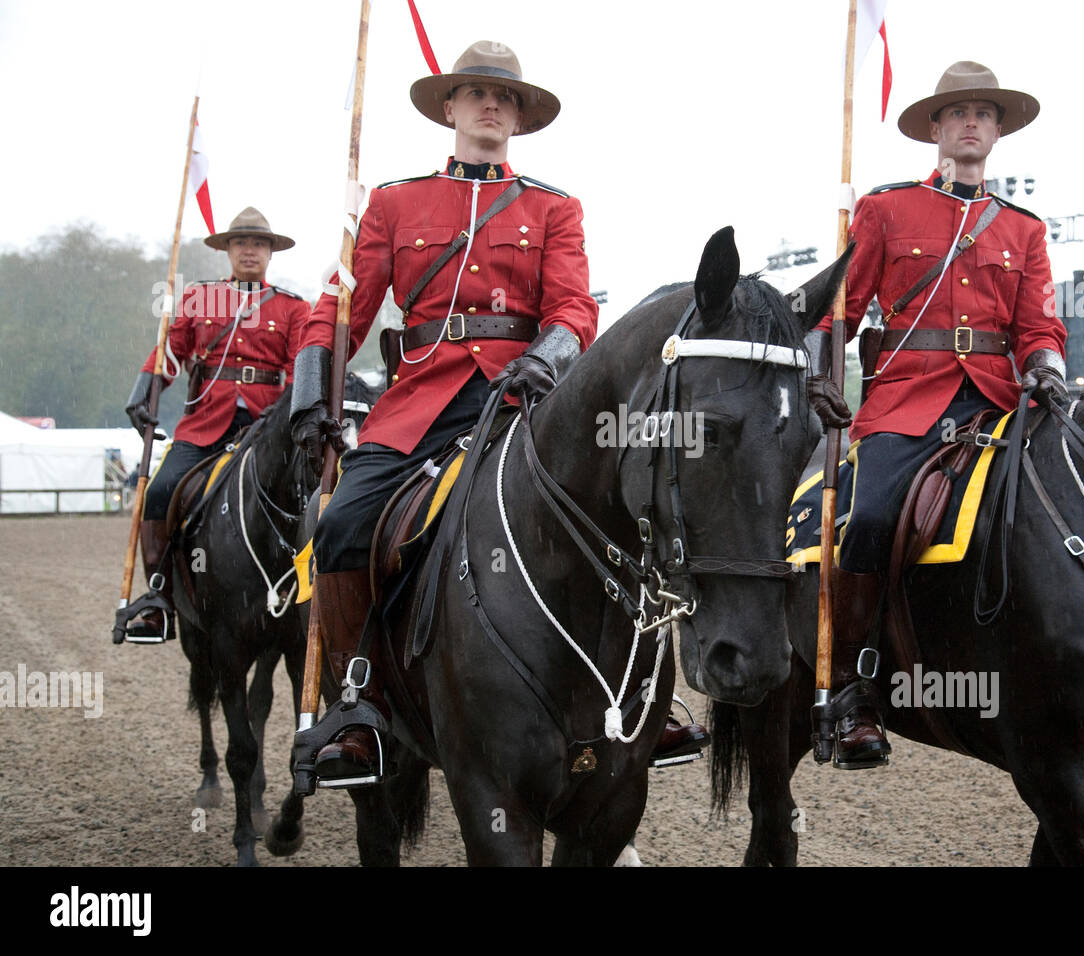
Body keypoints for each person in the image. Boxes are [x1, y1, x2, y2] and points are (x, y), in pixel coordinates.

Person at [291, 40, 707, 788]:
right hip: (418, 405)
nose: (491, 106)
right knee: (343, 525)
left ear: (519, 117)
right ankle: (359, 704)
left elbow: (575, 307)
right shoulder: (392, 204)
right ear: (449, 107)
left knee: (623, 511)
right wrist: (308, 393)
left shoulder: (555, 207)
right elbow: (338, 308)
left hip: (525, 400)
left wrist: (543, 361)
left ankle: (648, 690)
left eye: (505, 97)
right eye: (477, 93)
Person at [805, 61, 1068, 768]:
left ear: (1000, 129)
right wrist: (819, 374)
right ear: (935, 129)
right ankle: (856, 693)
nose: (972, 123)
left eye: (985, 112)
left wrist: (1046, 370)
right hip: (906, 399)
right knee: (872, 515)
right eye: (958, 113)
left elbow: (1040, 328)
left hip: (996, 400)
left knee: (1074, 503)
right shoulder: (887, 209)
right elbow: (841, 310)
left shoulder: (1024, 229)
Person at [123, 208, 308, 640]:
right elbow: (169, 354)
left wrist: (286, 417)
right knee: (160, 491)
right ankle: (158, 598)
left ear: (270, 252)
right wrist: (143, 391)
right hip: (205, 424)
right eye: (241, 242)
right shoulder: (199, 300)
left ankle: (311, 591)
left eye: (258, 243)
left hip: (266, 430)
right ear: (227, 250)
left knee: (311, 497)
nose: (249, 250)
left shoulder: (294, 307)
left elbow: (301, 367)